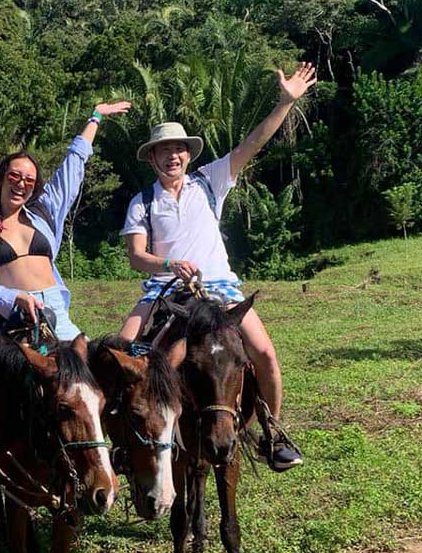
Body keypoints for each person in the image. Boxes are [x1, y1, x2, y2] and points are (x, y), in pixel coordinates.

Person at [117, 63, 318, 472]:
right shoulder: (142, 200)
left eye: (179, 149)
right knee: (126, 353)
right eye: (163, 150)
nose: (172, 155)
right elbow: (136, 255)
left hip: (220, 290)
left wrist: (285, 102)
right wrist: (169, 263)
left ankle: (273, 433)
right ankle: (126, 441)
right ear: (152, 157)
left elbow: (253, 143)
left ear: (188, 155)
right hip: (164, 291)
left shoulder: (210, 181)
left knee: (264, 352)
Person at [0, 101, 133, 352]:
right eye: (15, 176)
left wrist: (95, 117)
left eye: (29, 180)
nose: (22, 184)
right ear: (1, 179)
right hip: (5, 314)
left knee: (89, 367)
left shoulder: (45, 212)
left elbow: (73, 165)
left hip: (53, 308)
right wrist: (15, 297)